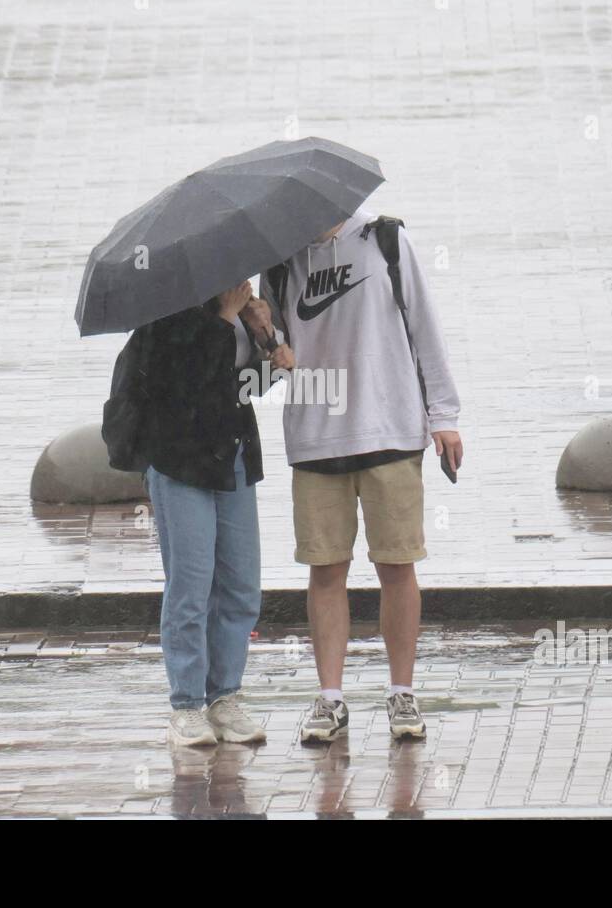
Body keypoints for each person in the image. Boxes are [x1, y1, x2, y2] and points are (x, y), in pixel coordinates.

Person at [254, 207, 463, 742]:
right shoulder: (280, 262)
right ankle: (330, 700)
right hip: (315, 431)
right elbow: (263, 374)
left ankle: (402, 694)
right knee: (325, 570)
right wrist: (260, 335)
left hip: (390, 425)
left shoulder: (385, 240)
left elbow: (424, 325)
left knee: (398, 565)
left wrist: (445, 416)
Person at [141, 281, 294, 747]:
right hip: (179, 461)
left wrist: (269, 343)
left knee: (241, 585)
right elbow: (187, 388)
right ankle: (186, 705)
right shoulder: (166, 310)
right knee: (191, 586)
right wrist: (225, 321)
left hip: (233, 459)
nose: (240, 281)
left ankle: (224, 698)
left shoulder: (239, 311)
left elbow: (242, 390)